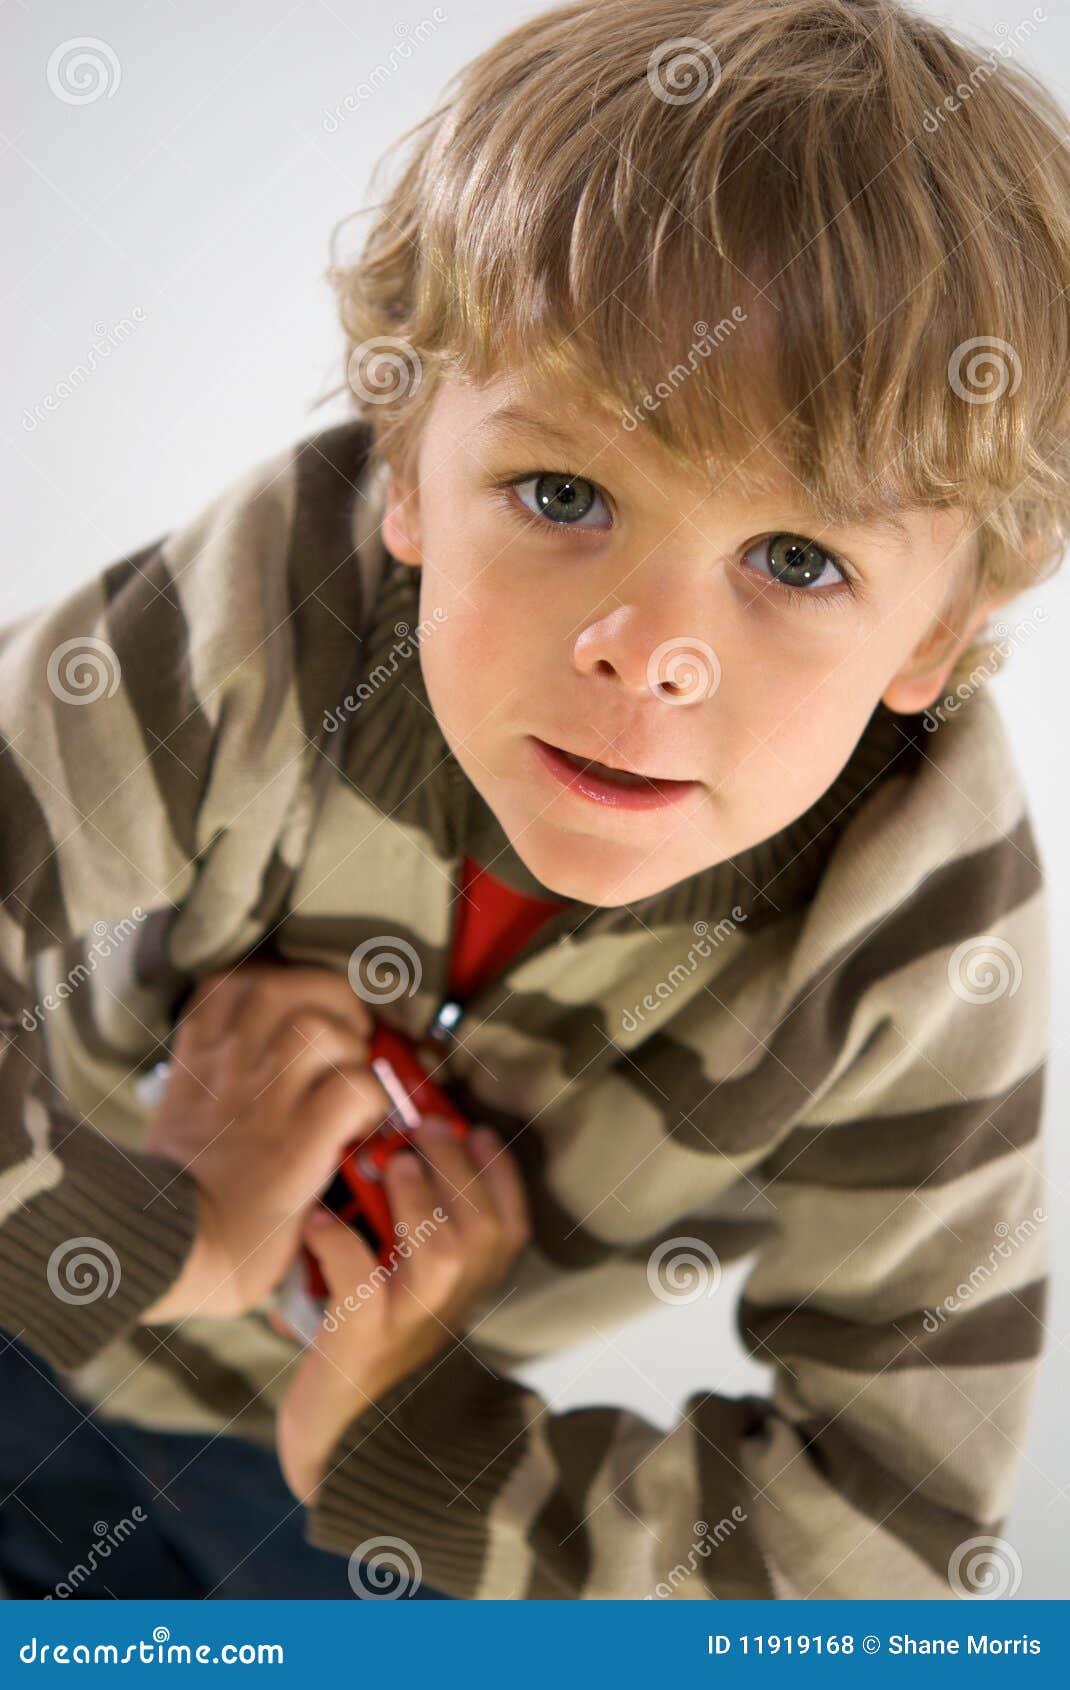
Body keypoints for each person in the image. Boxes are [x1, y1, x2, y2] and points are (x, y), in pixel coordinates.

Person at [1, 0, 1063, 1599]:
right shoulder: (262, 619)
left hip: (336, 1505)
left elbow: (889, 1548)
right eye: (562, 492)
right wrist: (153, 1233)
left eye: (795, 559)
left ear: (935, 631)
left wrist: (420, 1442)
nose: (644, 651)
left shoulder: (919, 932)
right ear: (407, 464)